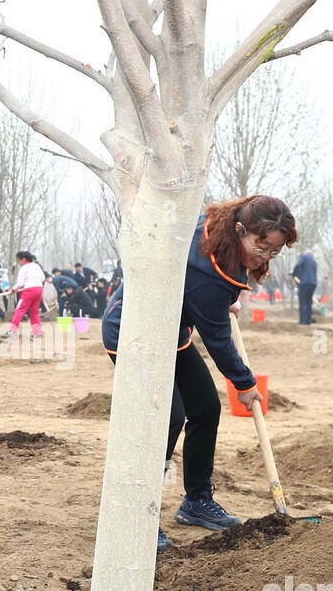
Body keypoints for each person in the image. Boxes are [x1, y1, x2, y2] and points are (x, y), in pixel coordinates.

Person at [104, 195, 298, 551]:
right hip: (133, 334)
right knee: (169, 416)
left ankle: (196, 501)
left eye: (274, 251)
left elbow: (205, 298)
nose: (264, 256)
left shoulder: (217, 233)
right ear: (240, 229)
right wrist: (245, 383)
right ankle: (137, 515)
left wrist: (225, 299)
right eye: (261, 245)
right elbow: (219, 340)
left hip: (169, 335)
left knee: (205, 407)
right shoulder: (207, 272)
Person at [5, 251, 45, 336]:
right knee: (34, 312)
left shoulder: (24, 268)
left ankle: (12, 330)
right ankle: (37, 333)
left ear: (23, 259)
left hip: (29, 291)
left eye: (18, 260)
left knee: (20, 309)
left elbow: (20, 283)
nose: (18, 263)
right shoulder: (36, 266)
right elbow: (43, 278)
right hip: (39, 289)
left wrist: (13, 290)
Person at [291, 248, 317, 325]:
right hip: (313, 284)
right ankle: (308, 321)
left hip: (305, 283)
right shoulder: (314, 261)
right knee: (309, 302)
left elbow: (298, 266)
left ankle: (302, 321)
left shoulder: (304, 257)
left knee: (302, 302)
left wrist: (294, 274)